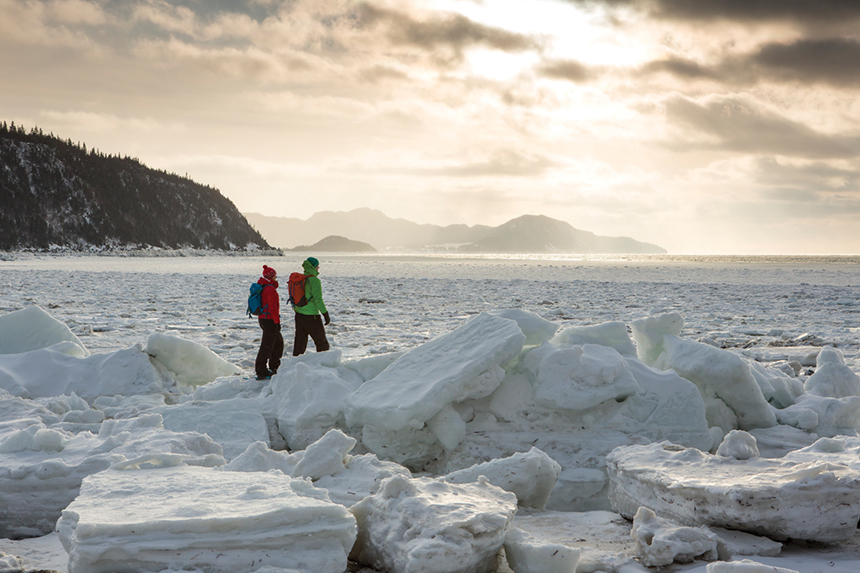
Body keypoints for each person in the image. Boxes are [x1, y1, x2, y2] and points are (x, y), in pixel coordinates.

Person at [292, 256, 330, 356]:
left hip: (299, 314)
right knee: (321, 341)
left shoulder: (301, 279)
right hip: (311, 315)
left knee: (300, 342)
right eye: (317, 266)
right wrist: (325, 313)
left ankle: (295, 364)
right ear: (313, 267)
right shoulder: (314, 281)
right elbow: (318, 299)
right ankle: (325, 363)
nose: (318, 268)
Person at [255, 264, 283, 380]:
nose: (276, 278)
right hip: (269, 320)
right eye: (275, 276)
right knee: (267, 345)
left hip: (264, 318)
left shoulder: (264, 286)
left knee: (278, 343)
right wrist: (277, 323)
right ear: (271, 277)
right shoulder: (270, 289)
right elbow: (272, 308)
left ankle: (274, 366)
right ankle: (261, 370)